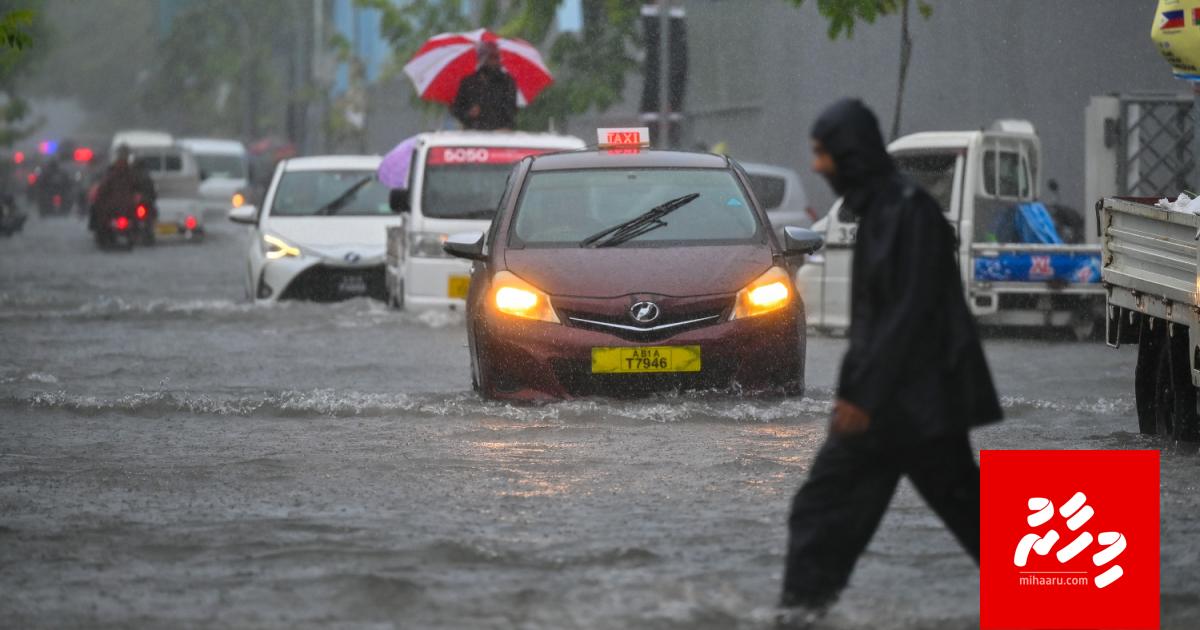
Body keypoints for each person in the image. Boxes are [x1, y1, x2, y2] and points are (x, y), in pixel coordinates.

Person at [777, 99, 1002, 627]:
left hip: (907, 404)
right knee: (964, 515)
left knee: (823, 509)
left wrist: (863, 396)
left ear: (849, 153)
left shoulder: (908, 212)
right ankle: (803, 612)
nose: (816, 165)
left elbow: (909, 313)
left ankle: (799, 614)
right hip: (901, 404)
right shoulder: (882, 210)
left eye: (822, 153)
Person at [451, 40, 517, 131]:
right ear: (483, 59)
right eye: (491, 57)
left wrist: (505, 125)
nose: (496, 62)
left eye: (497, 57)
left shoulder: (507, 82)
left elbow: (511, 109)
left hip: (499, 133)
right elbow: (457, 109)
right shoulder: (468, 83)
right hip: (473, 132)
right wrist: (469, 113)